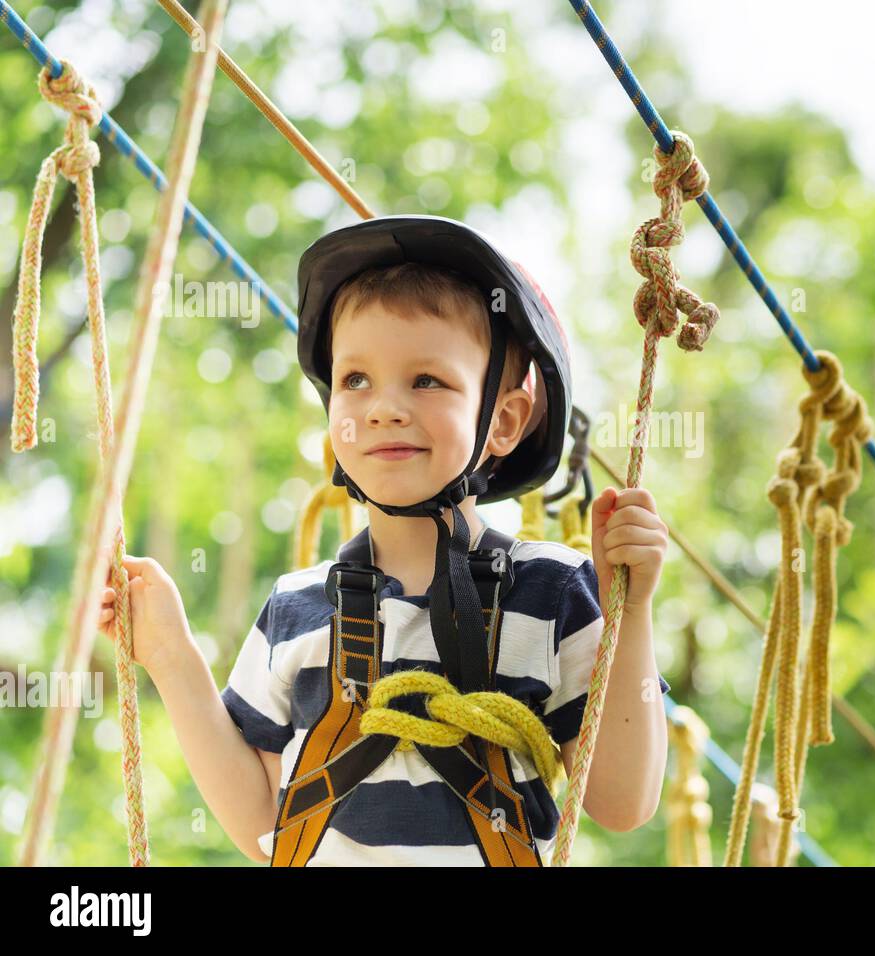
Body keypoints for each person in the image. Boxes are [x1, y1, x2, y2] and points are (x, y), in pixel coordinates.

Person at [98, 215, 670, 865]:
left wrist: (634, 609)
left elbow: (622, 804)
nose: (383, 408)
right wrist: (172, 658)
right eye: (355, 380)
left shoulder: (553, 593)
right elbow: (265, 824)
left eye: (427, 380)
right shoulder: (297, 609)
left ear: (502, 421)